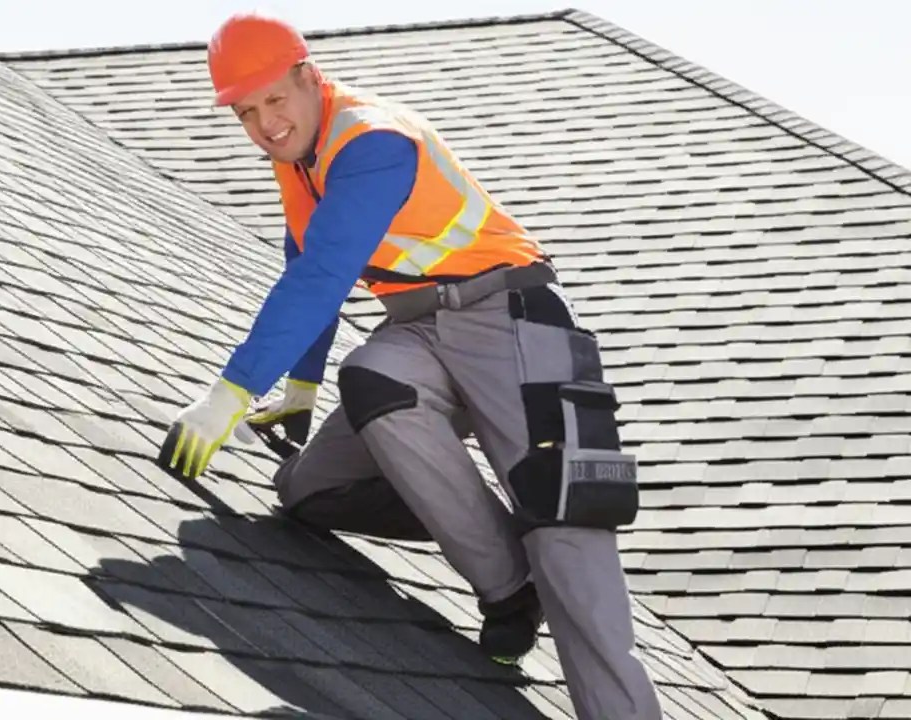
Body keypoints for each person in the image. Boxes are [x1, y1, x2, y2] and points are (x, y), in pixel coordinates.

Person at [155, 11, 662, 720]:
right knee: (315, 478)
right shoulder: (300, 161)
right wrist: (302, 385)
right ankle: (511, 586)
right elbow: (307, 258)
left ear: (310, 77)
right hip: (420, 332)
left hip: (514, 322)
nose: (265, 123)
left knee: (566, 528)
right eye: (246, 112)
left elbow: (323, 275)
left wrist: (229, 394)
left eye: (274, 99)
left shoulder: (372, 141)